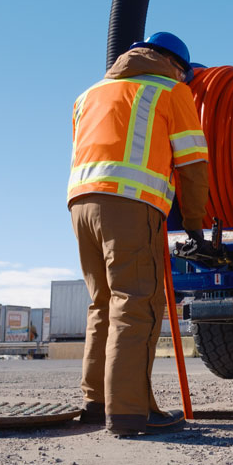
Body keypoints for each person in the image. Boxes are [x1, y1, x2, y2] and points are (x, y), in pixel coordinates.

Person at [68, 31, 210, 436]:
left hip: (80, 204)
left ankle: (97, 402)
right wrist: (196, 225)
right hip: (131, 205)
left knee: (102, 303)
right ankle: (131, 413)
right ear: (177, 66)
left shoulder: (89, 93)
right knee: (136, 303)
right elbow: (193, 165)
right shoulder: (171, 90)